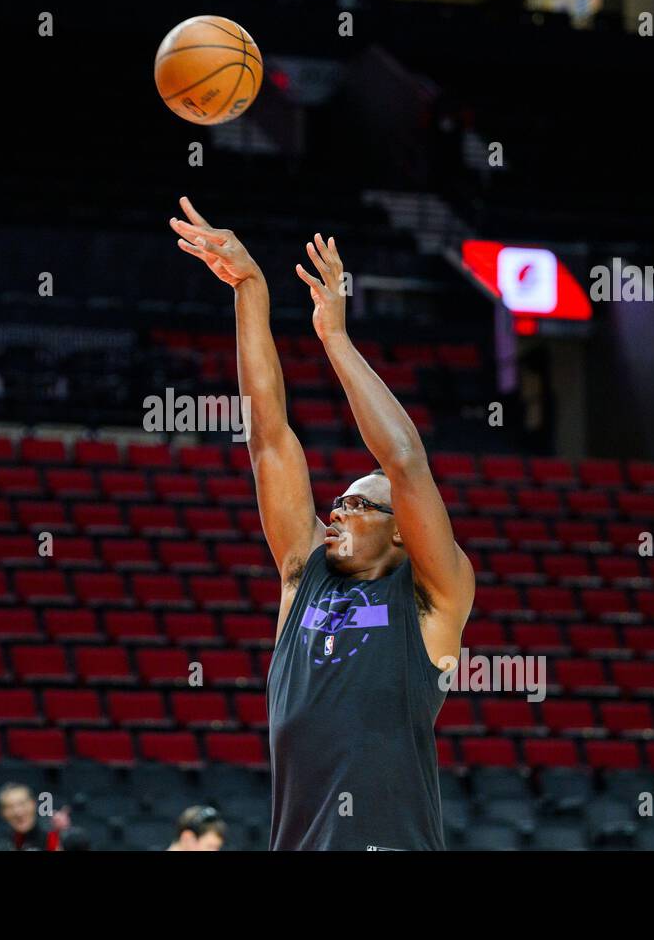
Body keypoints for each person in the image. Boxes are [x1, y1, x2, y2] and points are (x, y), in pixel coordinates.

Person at [170, 197, 475, 851]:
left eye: (361, 505)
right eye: (337, 502)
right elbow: (269, 438)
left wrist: (333, 337)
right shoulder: (302, 577)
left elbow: (403, 459)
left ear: (401, 531)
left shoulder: (432, 596)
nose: (338, 510)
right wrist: (250, 289)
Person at [0, 782, 69, 851]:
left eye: (22, 804)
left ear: (34, 803)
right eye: (10, 807)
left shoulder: (53, 835)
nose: (18, 812)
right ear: (2, 813)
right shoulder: (0, 845)